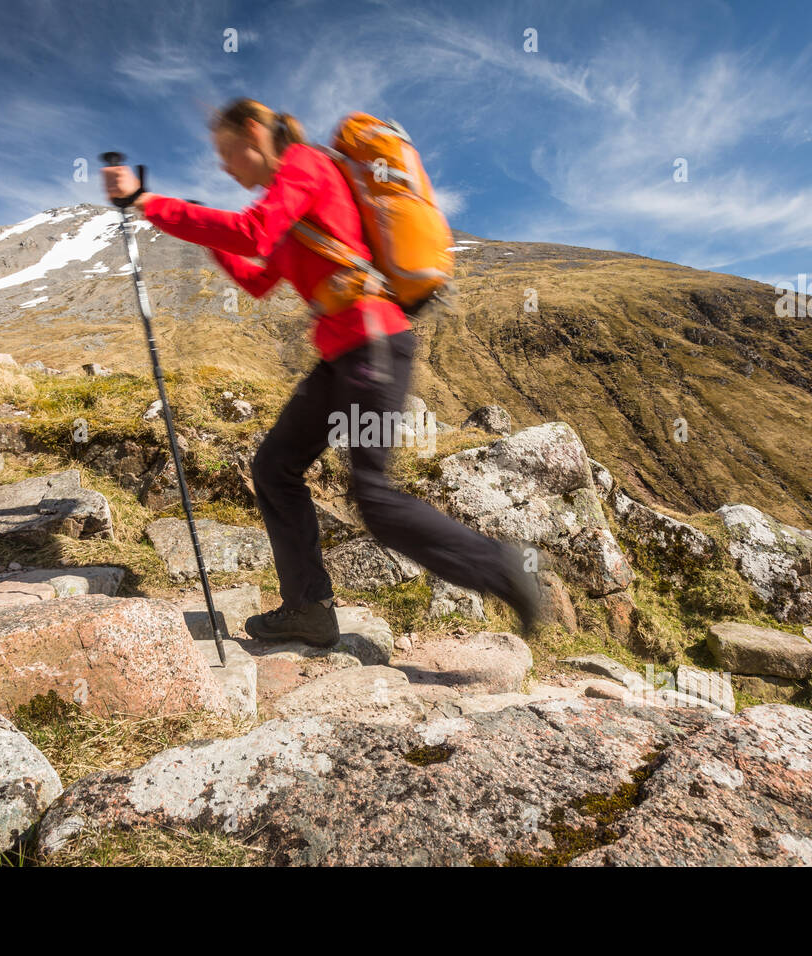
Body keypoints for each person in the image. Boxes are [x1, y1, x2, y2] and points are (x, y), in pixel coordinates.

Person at [102, 97, 538, 646]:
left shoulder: (306, 166)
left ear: (255, 133)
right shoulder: (288, 206)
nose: (222, 166)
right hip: (342, 358)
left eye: (225, 151)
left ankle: (503, 569)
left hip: (373, 351)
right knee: (275, 467)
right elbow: (259, 278)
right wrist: (201, 232)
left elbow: (254, 233)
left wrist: (150, 203)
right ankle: (308, 607)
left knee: (374, 497)